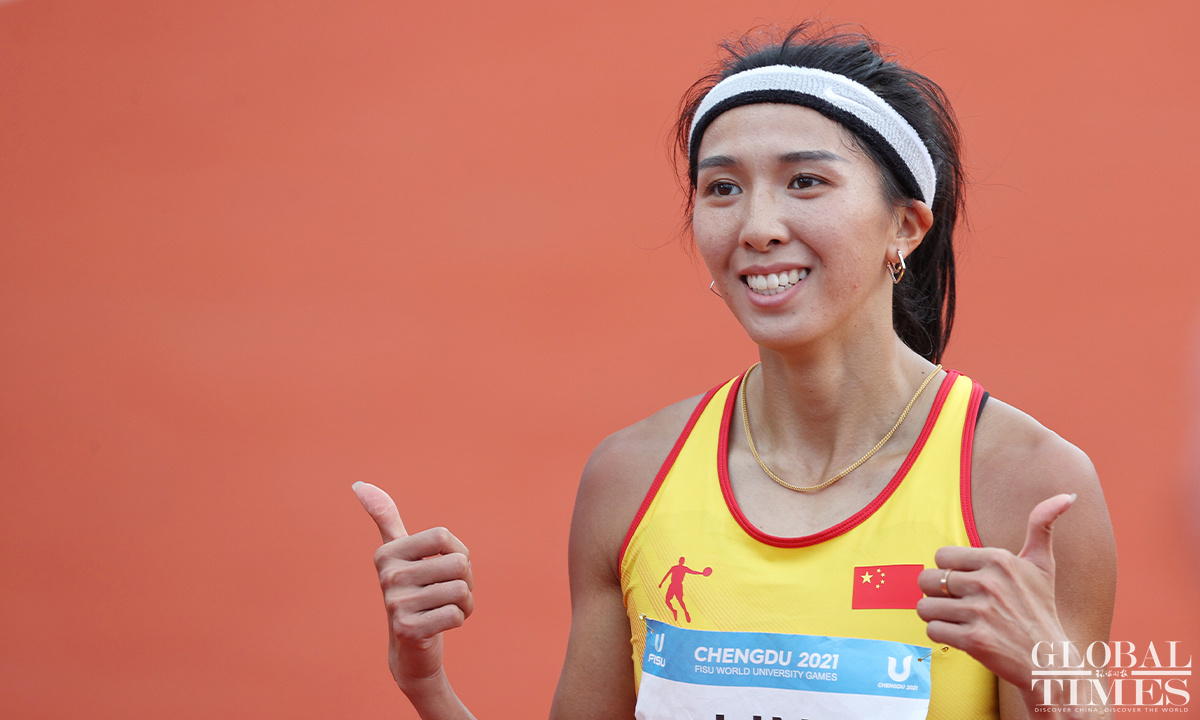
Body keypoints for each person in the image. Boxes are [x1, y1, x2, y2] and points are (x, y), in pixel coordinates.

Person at [352, 23, 1116, 719]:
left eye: (805, 181)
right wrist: (427, 684)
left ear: (906, 226)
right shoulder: (631, 477)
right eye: (723, 189)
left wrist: (1053, 684)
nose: (756, 227)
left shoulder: (1026, 487)